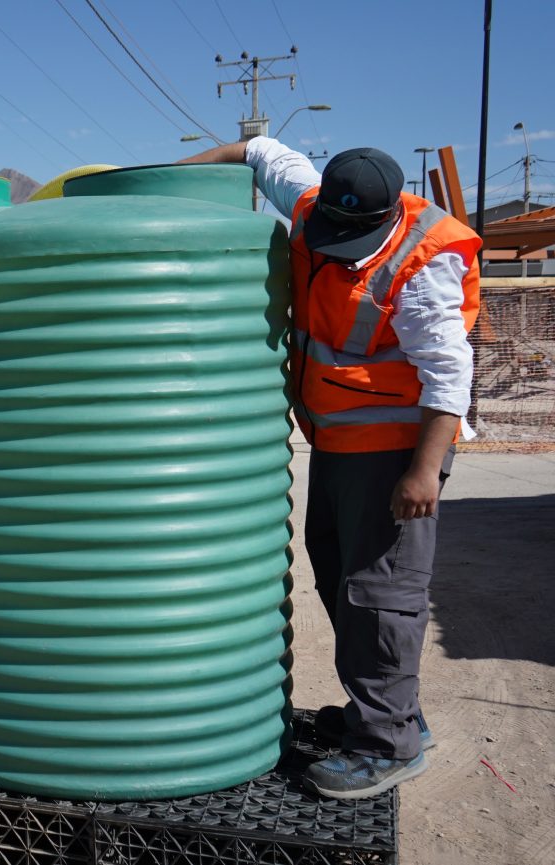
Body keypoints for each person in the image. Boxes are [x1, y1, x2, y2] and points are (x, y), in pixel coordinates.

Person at [179, 138, 481, 800]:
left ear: (383, 218)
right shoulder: (318, 201)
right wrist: (171, 179)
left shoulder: (420, 263)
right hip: (342, 444)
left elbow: (450, 372)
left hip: (400, 449)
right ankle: (389, 710)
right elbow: (259, 151)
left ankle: (389, 745)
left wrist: (424, 473)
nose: (331, 242)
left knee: (381, 591)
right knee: (341, 575)